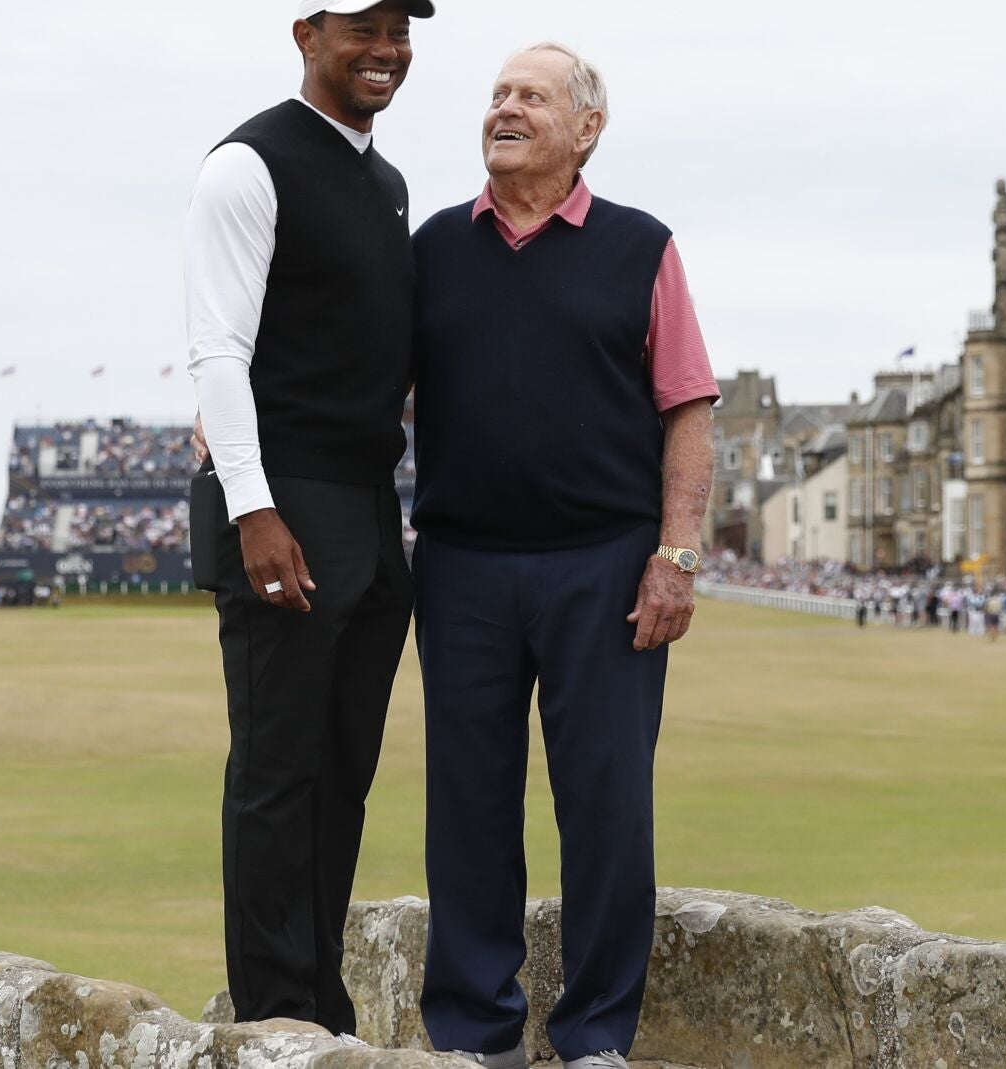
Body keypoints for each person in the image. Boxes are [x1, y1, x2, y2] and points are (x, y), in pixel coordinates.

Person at [410, 42, 719, 1069]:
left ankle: (593, 1039)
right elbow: (353, 368)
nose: (504, 108)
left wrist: (676, 553)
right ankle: (474, 1035)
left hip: (606, 564)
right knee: (466, 809)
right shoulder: (431, 249)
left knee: (606, 811)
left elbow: (687, 409)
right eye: (496, 95)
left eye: (529, 97)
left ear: (586, 127)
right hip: (460, 566)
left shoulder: (642, 247)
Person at [183, 0, 434, 1035]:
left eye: (400, 33)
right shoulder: (246, 165)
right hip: (283, 506)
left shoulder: (385, 183)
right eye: (362, 30)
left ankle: (317, 994)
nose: (384, 51)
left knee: (343, 774)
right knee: (278, 772)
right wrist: (255, 509)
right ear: (307, 36)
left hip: (369, 508)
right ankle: (272, 1010)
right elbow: (218, 353)